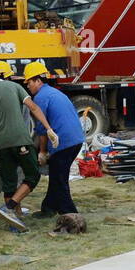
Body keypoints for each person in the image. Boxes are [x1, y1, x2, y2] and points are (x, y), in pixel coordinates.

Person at [0, 60, 55, 231]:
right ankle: (9, 208)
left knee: (9, 183)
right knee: (33, 175)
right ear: (5, 75)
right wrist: (48, 128)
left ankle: (13, 224)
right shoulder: (15, 87)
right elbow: (33, 107)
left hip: (1, 145)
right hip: (21, 141)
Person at [24, 61, 85, 218]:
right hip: (75, 139)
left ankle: (70, 215)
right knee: (58, 174)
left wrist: (42, 152)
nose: (27, 86)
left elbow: (42, 130)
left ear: (38, 80)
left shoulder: (40, 98)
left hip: (64, 142)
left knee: (59, 179)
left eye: (29, 82)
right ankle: (48, 208)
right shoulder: (53, 92)